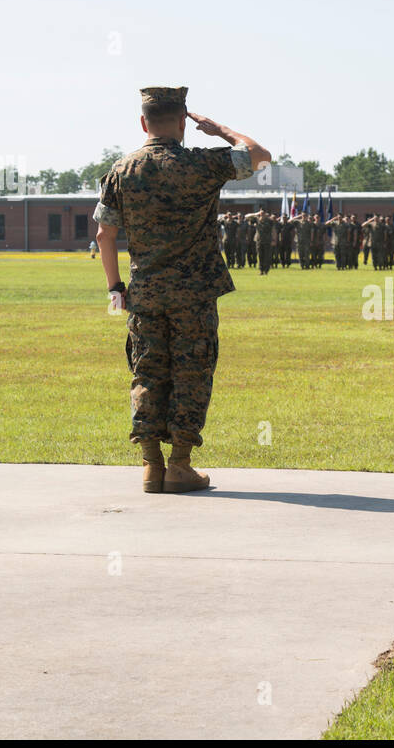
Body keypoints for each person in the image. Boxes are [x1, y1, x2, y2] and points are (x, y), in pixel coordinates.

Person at [93, 86, 270, 494]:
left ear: (143, 123)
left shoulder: (121, 170)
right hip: (193, 295)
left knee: (147, 372)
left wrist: (115, 288)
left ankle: (151, 467)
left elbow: (104, 234)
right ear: (182, 123)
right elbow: (260, 154)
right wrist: (220, 129)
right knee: (192, 373)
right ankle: (181, 465)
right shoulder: (202, 165)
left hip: (145, 294)